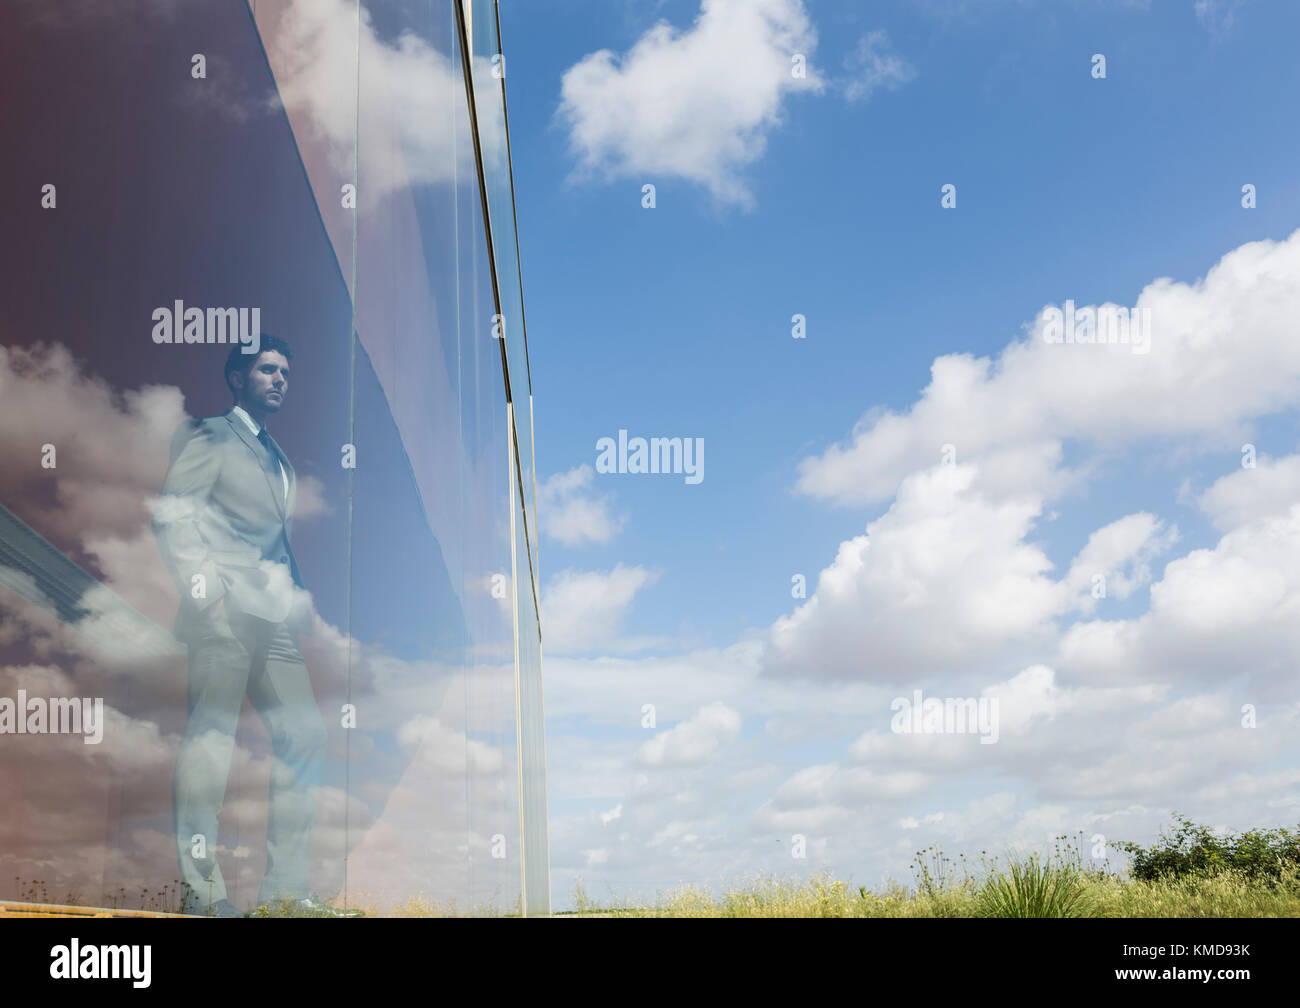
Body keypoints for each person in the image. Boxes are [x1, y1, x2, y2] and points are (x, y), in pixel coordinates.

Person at [153, 335, 340, 917]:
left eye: (285, 370)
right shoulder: (210, 434)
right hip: (225, 613)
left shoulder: (278, 456)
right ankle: (204, 897)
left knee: (306, 734)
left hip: (275, 619)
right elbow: (176, 515)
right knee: (211, 737)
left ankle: (285, 894)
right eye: (266, 369)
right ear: (238, 379)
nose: (280, 378)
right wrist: (206, 593)